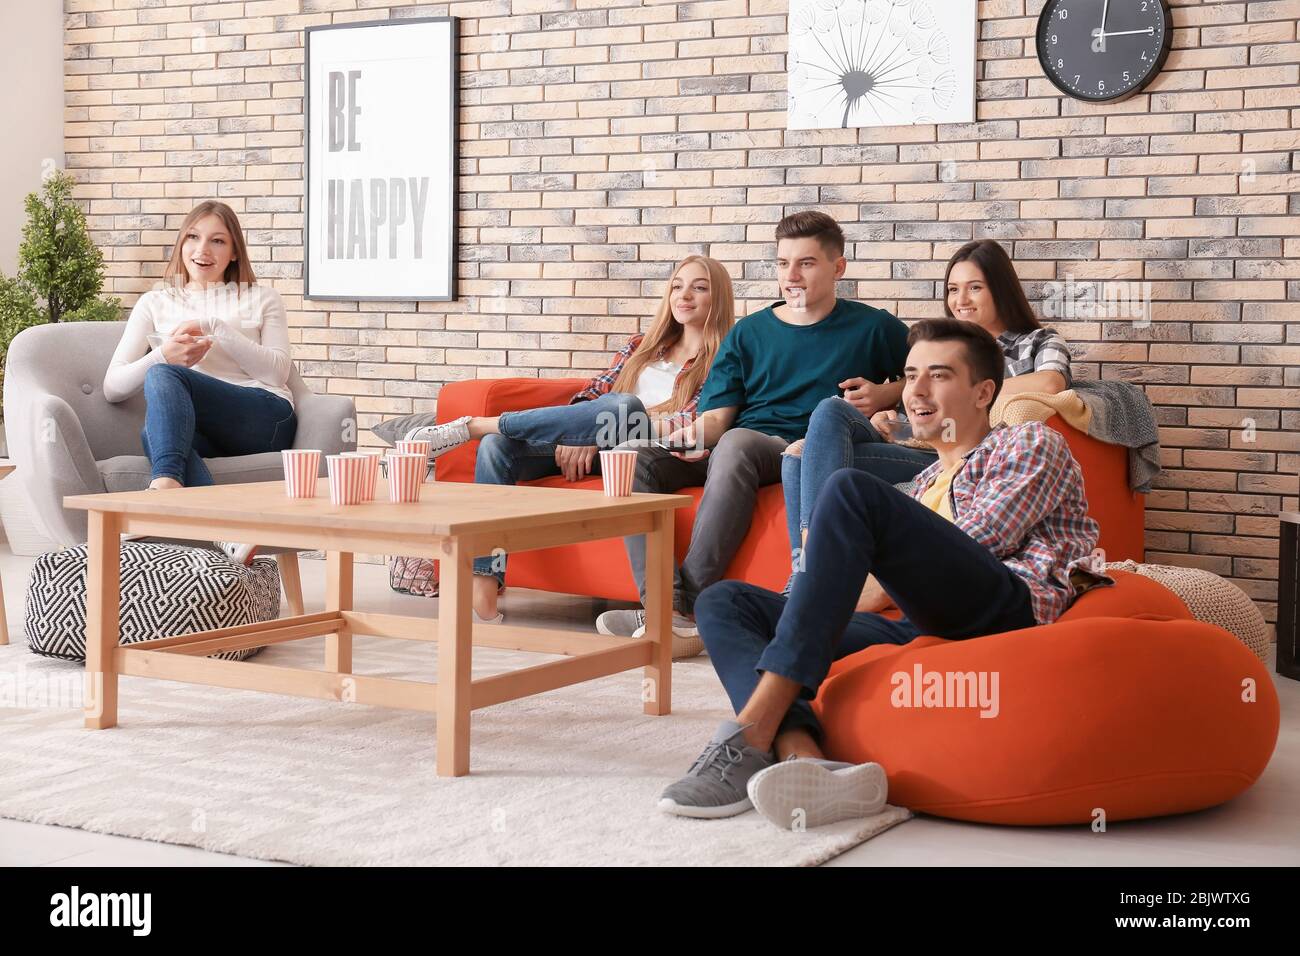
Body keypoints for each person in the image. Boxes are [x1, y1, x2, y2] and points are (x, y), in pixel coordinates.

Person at [660, 317, 1107, 827]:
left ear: (984, 392)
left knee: (849, 490)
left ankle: (750, 733)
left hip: (1004, 607)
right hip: (922, 618)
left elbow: (978, 546)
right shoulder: (924, 481)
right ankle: (805, 760)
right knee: (726, 602)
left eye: (937, 376)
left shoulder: (1027, 442)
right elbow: (877, 584)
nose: (914, 391)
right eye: (910, 374)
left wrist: (843, 579)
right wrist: (830, 589)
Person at [594, 211, 909, 649]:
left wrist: (885, 393)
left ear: (838, 268)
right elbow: (718, 419)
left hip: (796, 447)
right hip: (730, 446)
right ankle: (665, 610)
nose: (791, 275)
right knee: (633, 452)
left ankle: (686, 609)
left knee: (738, 443)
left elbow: (928, 378)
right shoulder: (749, 332)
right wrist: (672, 438)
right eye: (782, 263)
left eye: (807, 263)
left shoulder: (874, 327)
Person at [406, 256, 734, 638]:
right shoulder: (641, 347)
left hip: (643, 452)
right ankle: (485, 580)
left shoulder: (722, 359)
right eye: (677, 285)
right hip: (594, 438)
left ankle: (474, 426)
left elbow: (689, 425)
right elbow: (591, 394)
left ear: (718, 297)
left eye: (699, 286)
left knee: (625, 406)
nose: (685, 295)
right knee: (497, 447)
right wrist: (582, 432)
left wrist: (600, 437)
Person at [780, 238, 1074, 574]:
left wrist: (962, 391)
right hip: (914, 443)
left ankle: (812, 571)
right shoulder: (939, 347)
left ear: (1001, 290)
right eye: (952, 289)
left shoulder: (1038, 341)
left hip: (951, 453)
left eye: (974, 287)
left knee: (804, 456)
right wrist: (894, 417)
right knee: (809, 440)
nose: (960, 300)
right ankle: (805, 569)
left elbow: (1051, 383)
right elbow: (921, 412)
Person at [103, 200, 296, 565]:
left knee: (165, 378)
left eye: (218, 241)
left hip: (265, 417)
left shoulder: (261, 298)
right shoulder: (155, 302)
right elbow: (113, 386)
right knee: (155, 431)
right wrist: (162, 354)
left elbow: (277, 372)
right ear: (181, 243)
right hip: (204, 431)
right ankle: (228, 533)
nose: (202, 250)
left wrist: (215, 328)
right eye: (193, 237)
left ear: (235, 250)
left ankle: (165, 489)